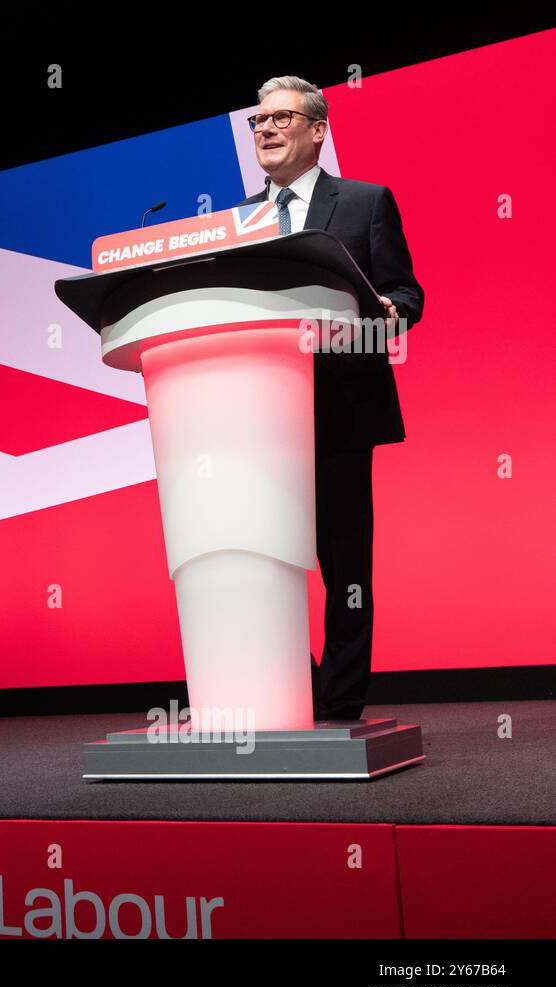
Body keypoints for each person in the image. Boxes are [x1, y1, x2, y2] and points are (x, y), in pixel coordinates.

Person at [238, 75, 424, 722]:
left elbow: (407, 297)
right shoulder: (239, 221)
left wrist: (384, 310)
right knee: (267, 561)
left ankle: (340, 701)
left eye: (279, 118)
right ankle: (288, 692)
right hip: (260, 417)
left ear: (318, 129)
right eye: (257, 121)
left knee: (344, 565)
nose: (263, 129)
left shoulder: (365, 202)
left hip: (340, 410)